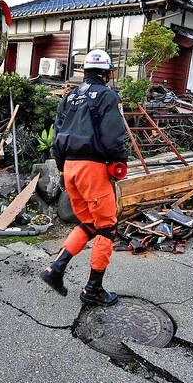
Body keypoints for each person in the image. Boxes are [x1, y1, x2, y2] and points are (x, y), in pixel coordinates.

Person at [40, 49, 128, 307]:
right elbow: (113, 136)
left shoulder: (69, 97)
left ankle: (55, 269)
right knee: (107, 228)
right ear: (107, 73)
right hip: (93, 169)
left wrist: (61, 167)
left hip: (69, 168)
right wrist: (120, 161)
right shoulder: (107, 96)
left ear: (85, 71)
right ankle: (93, 290)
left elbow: (57, 137)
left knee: (88, 223)